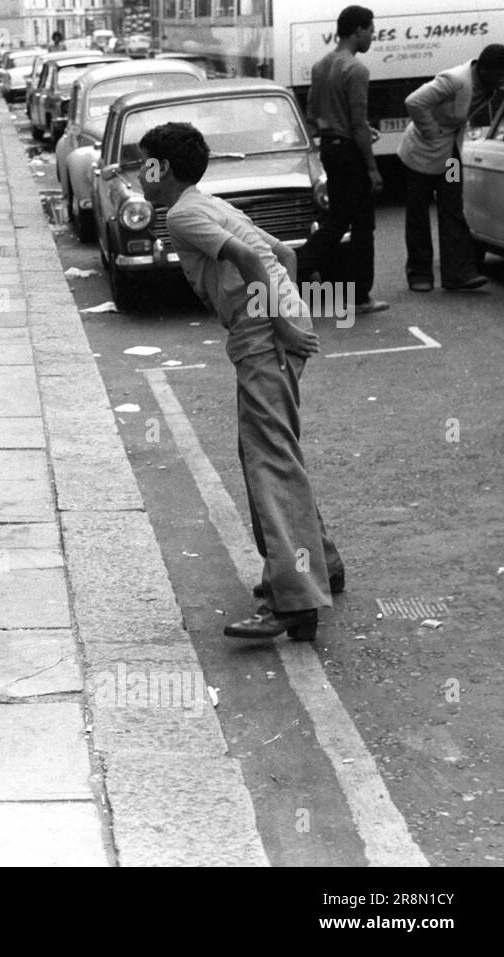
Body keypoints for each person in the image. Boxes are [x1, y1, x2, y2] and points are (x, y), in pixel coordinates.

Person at [139, 122, 344, 642]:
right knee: (274, 450)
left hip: (263, 334)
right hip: (273, 325)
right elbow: (287, 254)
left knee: (268, 460)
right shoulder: (207, 203)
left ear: (162, 169)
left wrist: (278, 328)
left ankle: (294, 602)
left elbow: (253, 259)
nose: (140, 174)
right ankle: (320, 564)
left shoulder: (185, 213)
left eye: (145, 163)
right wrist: (290, 315)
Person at [295, 5, 388, 316]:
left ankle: (292, 273)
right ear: (358, 30)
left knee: (336, 220)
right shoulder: (356, 70)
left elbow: (312, 114)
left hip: (330, 148)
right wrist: (372, 168)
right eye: (371, 30)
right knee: (362, 225)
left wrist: (336, 127)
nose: (373, 36)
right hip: (349, 151)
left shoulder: (321, 66)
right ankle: (360, 295)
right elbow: (359, 124)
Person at [397, 44, 504, 292]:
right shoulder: (454, 80)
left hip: (450, 157)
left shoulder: (487, 84)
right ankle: (419, 273)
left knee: (453, 207)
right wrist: (431, 131)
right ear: (486, 71)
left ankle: (457, 273)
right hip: (421, 154)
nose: (501, 82)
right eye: (499, 76)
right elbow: (413, 102)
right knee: (418, 212)